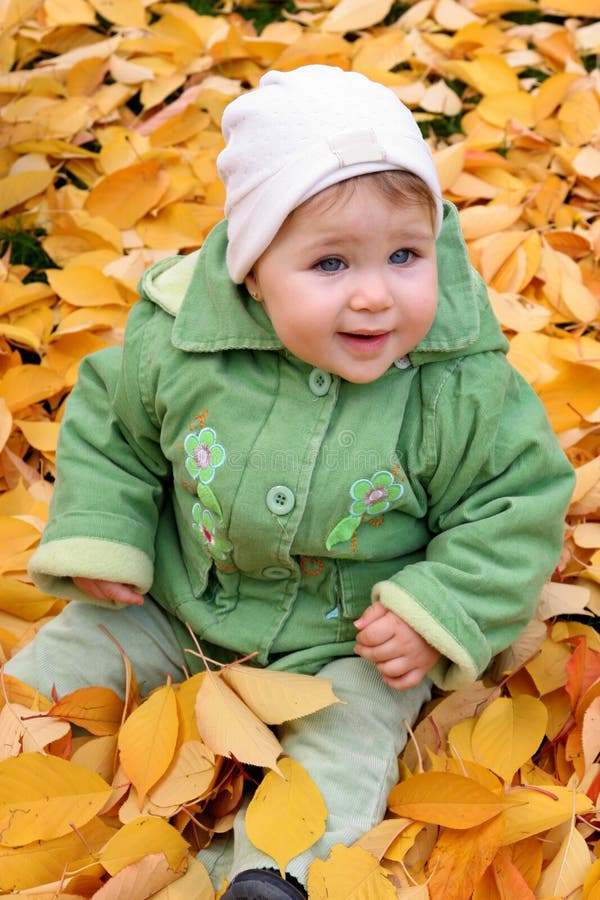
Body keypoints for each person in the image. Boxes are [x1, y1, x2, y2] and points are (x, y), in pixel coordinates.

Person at [5, 65, 574, 899]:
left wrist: (435, 609)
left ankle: (275, 875)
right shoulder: (180, 348)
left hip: (349, 641)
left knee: (348, 743)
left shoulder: (461, 388)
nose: (375, 295)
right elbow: (114, 431)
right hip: (176, 598)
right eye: (331, 263)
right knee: (62, 664)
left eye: (405, 255)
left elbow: (515, 507)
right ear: (251, 269)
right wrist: (107, 533)